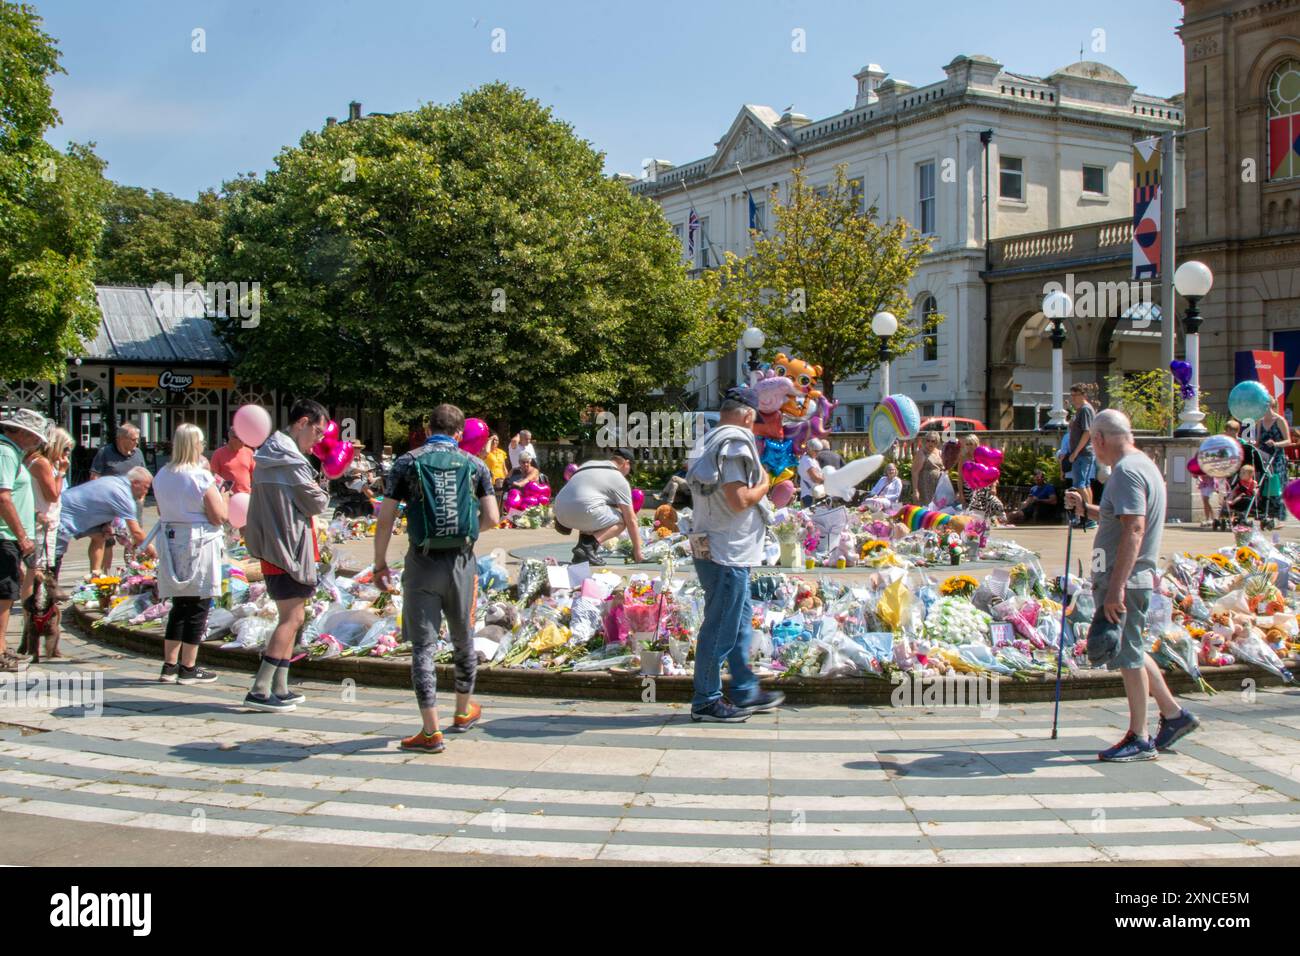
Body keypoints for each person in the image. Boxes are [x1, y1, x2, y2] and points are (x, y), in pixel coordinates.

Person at [1066, 409, 1198, 762]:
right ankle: (1173, 714)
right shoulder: (1145, 466)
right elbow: (1119, 518)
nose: (1094, 452)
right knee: (1133, 647)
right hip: (1132, 577)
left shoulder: (1125, 472)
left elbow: (1134, 528)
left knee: (1128, 656)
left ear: (1098, 439)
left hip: (1125, 578)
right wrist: (1088, 508)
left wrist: (1115, 589)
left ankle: (1138, 737)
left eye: (1093, 444)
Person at [374, 404, 499, 754]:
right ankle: (462, 711)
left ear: (428, 428)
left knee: (423, 648)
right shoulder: (475, 465)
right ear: (460, 433)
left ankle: (430, 731)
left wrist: (379, 563)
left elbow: (385, 519)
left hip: (422, 562)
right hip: (461, 562)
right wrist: (469, 530)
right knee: (463, 638)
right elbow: (492, 516)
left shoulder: (406, 462)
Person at [684, 386, 783, 722]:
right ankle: (706, 701)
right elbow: (737, 499)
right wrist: (765, 486)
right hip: (728, 552)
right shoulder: (736, 443)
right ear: (749, 415)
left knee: (737, 622)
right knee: (721, 627)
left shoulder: (707, 441)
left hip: (713, 545)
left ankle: (744, 690)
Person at [241, 399, 331, 713]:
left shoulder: (272, 456)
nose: (319, 439)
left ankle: (280, 686)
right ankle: (261, 688)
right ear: (302, 422)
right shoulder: (291, 462)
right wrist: (327, 474)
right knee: (291, 618)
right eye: (317, 431)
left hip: (278, 547)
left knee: (295, 617)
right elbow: (317, 503)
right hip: (288, 549)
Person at [150, 424, 226, 685]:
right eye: (201, 442)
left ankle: (169, 665)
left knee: (179, 604)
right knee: (198, 604)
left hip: (172, 539)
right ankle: (189, 667)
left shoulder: (162, 475)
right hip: (200, 540)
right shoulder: (200, 476)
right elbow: (219, 515)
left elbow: (162, 511)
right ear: (195, 445)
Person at [0, 410, 46, 672]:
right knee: (4, 595)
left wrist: (33, 514)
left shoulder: (10, 452)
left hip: (8, 535)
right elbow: (3, 497)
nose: (37, 443)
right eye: (35, 437)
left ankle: (3, 647)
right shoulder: (6, 452)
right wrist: (22, 535)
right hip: (5, 536)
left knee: (7, 593)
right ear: (23, 433)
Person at [552, 449, 643, 566]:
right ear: (626, 463)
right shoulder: (619, 479)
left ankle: (581, 555)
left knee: (593, 508)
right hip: (582, 511)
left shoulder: (588, 465)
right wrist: (637, 550)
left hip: (559, 511)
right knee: (622, 520)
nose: (628, 474)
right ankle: (588, 546)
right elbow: (631, 519)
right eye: (629, 470)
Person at [57, 467, 154, 566]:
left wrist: (107, 524)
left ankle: (95, 574)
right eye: (145, 487)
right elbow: (136, 532)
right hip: (63, 516)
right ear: (135, 483)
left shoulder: (114, 480)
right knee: (53, 559)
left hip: (64, 506)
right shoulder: (124, 496)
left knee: (99, 536)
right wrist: (152, 551)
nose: (146, 492)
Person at [88, 423, 148, 575]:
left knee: (134, 539)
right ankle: (101, 574)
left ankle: (133, 573)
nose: (136, 443)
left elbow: (144, 476)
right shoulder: (105, 452)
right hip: (109, 504)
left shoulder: (138, 453)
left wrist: (142, 497)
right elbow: (95, 477)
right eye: (133, 439)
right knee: (104, 539)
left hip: (132, 504)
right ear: (121, 439)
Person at [1065, 384, 1097, 530]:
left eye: (1075, 395)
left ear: (1083, 395)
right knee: (1085, 484)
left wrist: (1075, 452)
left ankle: (1089, 517)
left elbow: (1087, 432)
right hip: (1080, 453)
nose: (1073, 398)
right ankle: (1089, 516)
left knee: (1080, 484)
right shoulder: (1079, 410)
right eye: (1071, 395)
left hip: (1083, 454)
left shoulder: (1085, 410)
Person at [1257, 396, 1292, 527]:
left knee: (1276, 484)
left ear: (1268, 406)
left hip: (1277, 456)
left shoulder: (1279, 420)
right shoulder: (1260, 421)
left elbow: (1288, 441)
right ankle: (1266, 514)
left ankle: (1278, 517)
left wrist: (1276, 443)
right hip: (1264, 456)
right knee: (1265, 483)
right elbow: (1258, 440)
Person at [208, 429, 255, 495]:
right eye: (241, 440)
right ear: (231, 438)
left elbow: (254, 475)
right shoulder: (218, 454)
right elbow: (213, 476)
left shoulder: (249, 452)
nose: (244, 442)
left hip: (246, 496)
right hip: (227, 497)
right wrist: (226, 490)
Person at [911, 432, 944, 505]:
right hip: (925, 486)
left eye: (933, 441)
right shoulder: (922, 453)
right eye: (928, 440)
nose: (930, 443)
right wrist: (915, 490)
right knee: (926, 508)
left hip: (937, 485)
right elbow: (914, 472)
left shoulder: (939, 452)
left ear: (937, 442)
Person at [796, 440, 825, 508]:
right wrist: (826, 481)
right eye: (816, 451)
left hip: (813, 493)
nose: (818, 453)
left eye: (819, 451)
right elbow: (815, 478)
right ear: (809, 449)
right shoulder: (807, 460)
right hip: (810, 493)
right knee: (810, 516)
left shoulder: (810, 459)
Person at [483, 434, 508, 498]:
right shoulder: (485, 451)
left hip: (501, 480)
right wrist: (490, 440)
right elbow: (486, 451)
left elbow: (504, 467)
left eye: (496, 440)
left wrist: (507, 479)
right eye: (493, 440)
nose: (495, 441)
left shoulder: (501, 452)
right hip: (490, 480)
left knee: (500, 500)